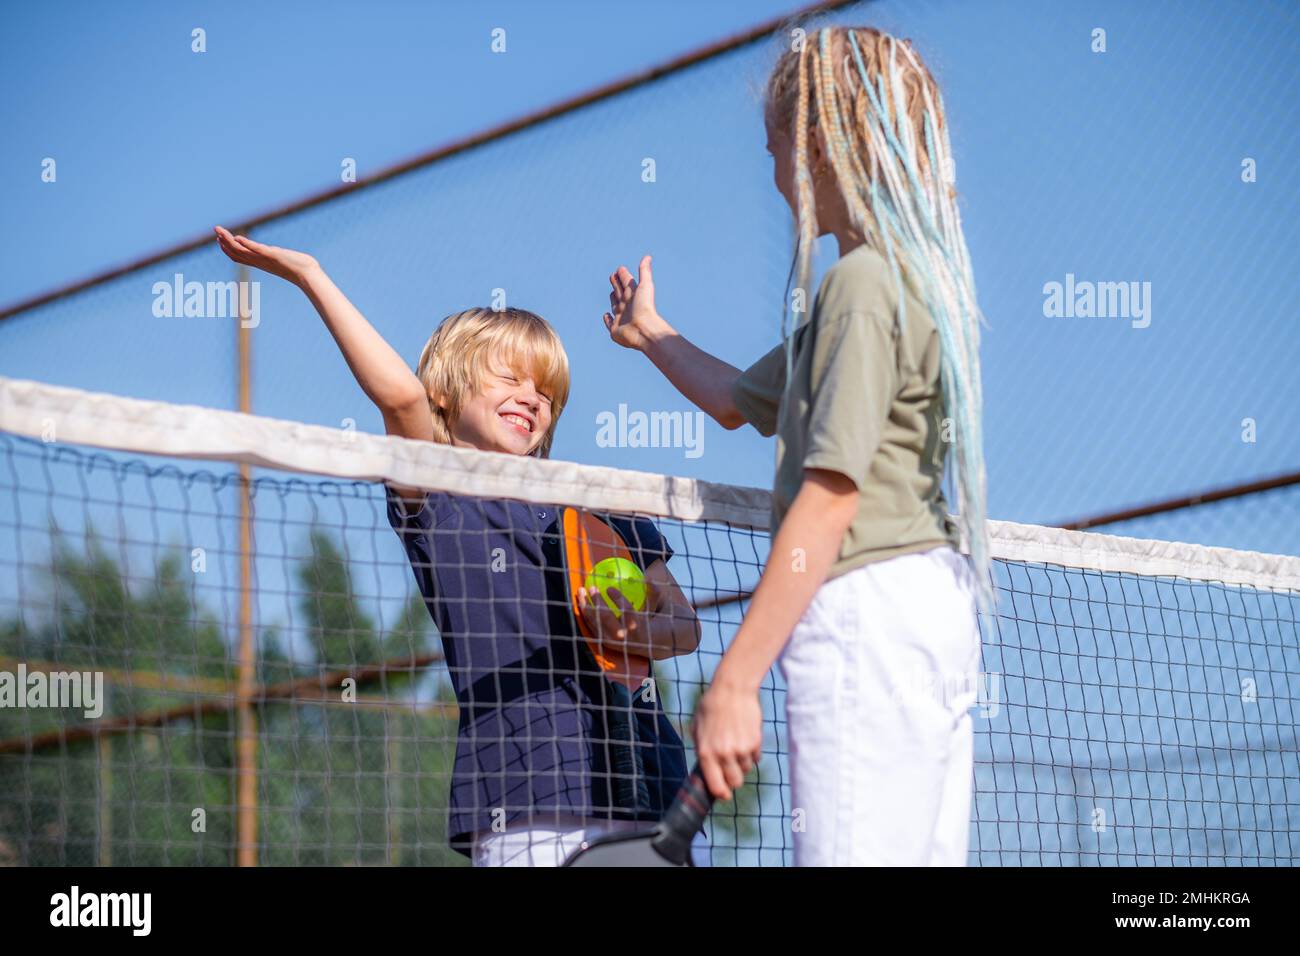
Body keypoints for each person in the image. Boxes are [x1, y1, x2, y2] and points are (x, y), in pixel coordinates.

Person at [600, 25, 989, 866]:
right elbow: (741, 402)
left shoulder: (856, 289)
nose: (774, 172)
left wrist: (736, 676)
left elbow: (831, 494)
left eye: (773, 144)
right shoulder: (904, 285)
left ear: (814, 142)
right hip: (935, 608)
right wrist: (651, 332)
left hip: (863, 607)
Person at [213, 226, 704, 866]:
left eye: (547, 393)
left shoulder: (602, 505)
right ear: (449, 389)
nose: (532, 397)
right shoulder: (441, 500)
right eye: (511, 378)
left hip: (648, 790)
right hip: (526, 795)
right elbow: (400, 396)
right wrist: (310, 274)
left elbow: (684, 626)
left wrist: (635, 629)